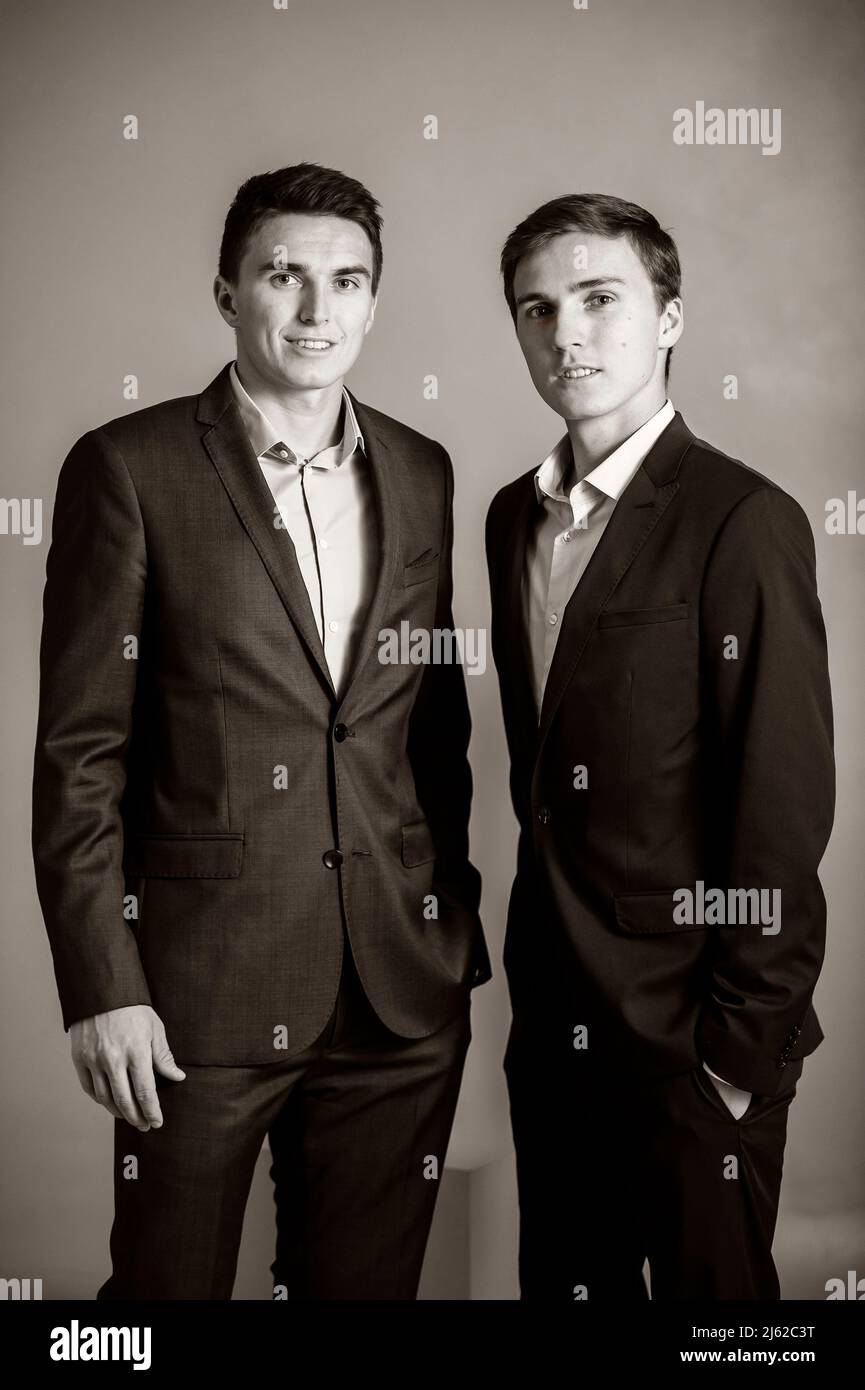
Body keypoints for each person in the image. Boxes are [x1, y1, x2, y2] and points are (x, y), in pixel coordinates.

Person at [32, 161, 490, 1300]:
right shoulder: (128, 468)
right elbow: (80, 755)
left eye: (346, 281)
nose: (316, 310)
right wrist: (103, 982)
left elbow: (430, 729)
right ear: (227, 290)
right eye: (283, 275)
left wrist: (447, 920)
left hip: (396, 996)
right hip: (196, 993)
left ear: (376, 301)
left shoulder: (421, 471)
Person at [485, 192, 834, 1300]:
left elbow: (779, 808)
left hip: (692, 1038)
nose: (564, 335)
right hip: (555, 1030)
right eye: (536, 309)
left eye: (598, 299)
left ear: (669, 319)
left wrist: (736, 1051)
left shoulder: (743, 518)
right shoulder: (511, 519)